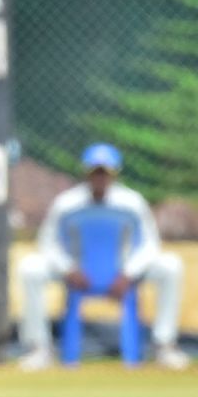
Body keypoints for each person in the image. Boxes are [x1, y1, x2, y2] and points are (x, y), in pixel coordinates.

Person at [17, 143, 190, 370]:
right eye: (95, 171)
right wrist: (68, 268)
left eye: (105, 172)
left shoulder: (131, 203)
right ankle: (39, 347)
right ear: (85, 173)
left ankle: (164, 345)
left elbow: (149, 244)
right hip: (77, 275)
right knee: (30, 267)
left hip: (123, 275)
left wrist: (128, 273)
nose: (99, 177)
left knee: (171, 266)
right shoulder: (67, 204)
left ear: (114, 174)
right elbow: (48, 242)